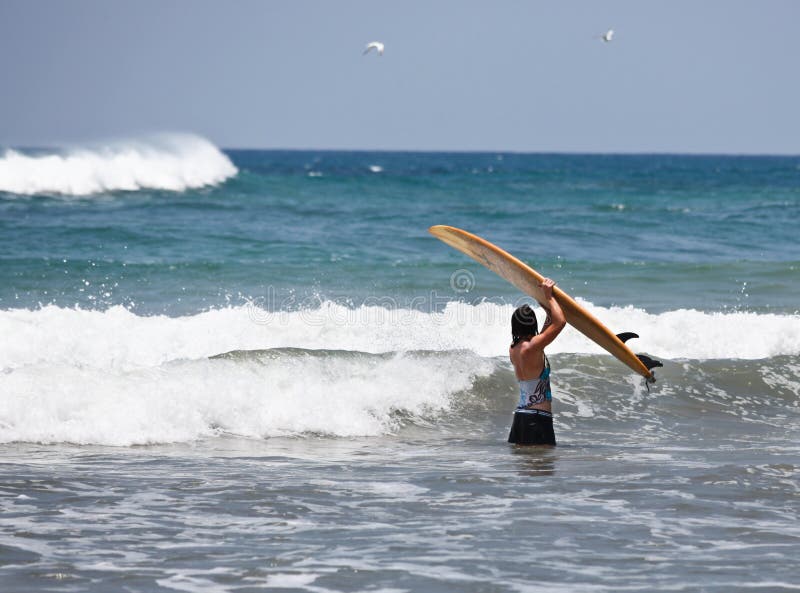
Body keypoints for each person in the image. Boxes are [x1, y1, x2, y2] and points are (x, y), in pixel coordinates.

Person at [508, 278, 566, 446]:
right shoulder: (532, 347)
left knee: (524, 469)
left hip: (521, 418)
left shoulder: (514, 349)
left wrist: (543, 301)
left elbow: (548, 327)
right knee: (543, 470)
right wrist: (549, 298)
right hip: (537, 419)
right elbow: (560, 322)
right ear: (532, 324)